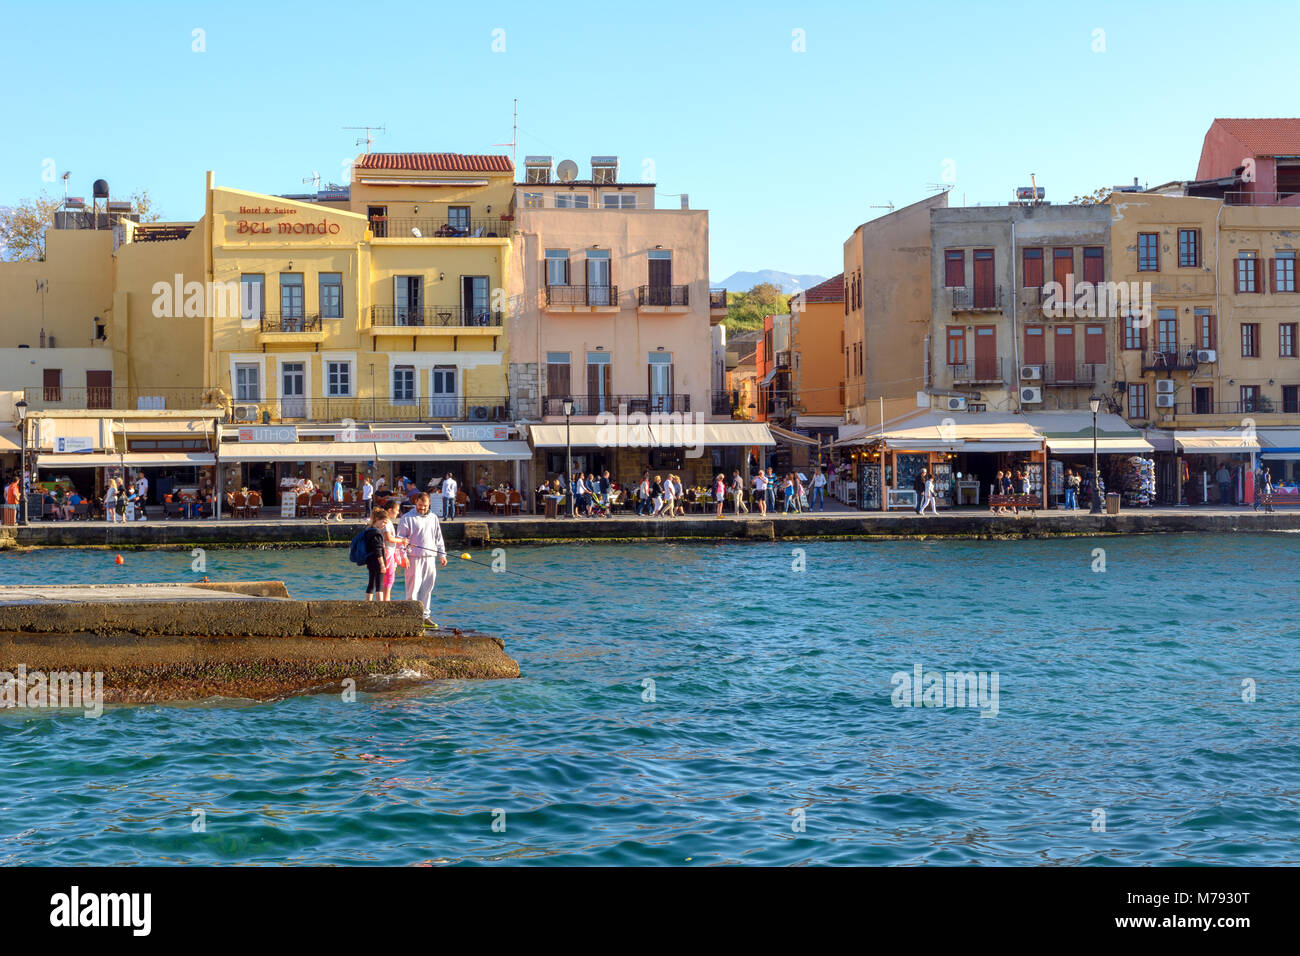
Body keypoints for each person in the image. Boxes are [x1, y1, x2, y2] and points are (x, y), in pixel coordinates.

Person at [396, 493, 447, 627]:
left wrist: (442, 554)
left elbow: (438, 537)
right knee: (413, 588)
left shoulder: (433, 517)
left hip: (430, 558)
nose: (422, 508)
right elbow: (400, 539)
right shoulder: (407, 518)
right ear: (415, 503)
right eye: (419, 505)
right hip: (413, 558)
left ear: (429, 504)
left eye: (424, 506)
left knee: (427, 588)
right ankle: (411, 616)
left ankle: (425, 616)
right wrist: (403, 556)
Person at [380, 498, 407, 601]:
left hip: (387, 553)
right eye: (397, 510)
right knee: (389, 578)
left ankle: (384, 600)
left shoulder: (385, 521)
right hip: (387, 553)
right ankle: (386, 601)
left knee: (385, 578)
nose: (398, 512)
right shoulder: (386, 522)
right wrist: (402, 541)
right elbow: (388, 538)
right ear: (390, 510)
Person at [362, 508, 389, 602]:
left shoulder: (368, 530)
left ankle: (368, 604)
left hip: (370, 561)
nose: (384, 525)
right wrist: (382, 564)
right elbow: (378, 550)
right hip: (378, 562)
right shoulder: (377, 534)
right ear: (377, 519)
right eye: (384, 522)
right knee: (379, 585)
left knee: (371, 583)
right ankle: (380, 607)